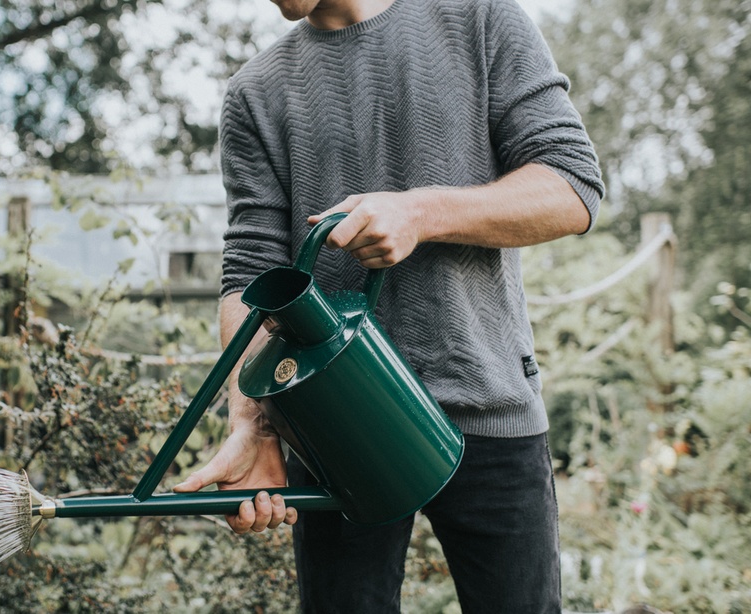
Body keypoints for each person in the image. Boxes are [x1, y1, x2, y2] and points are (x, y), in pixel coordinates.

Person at [174, 0, 604, 610]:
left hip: (490, 408)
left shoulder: (479, 18)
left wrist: (420, 212)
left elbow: (572, 187)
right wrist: (255, 424)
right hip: (333, 432)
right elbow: (251, 274)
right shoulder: (256, 92)